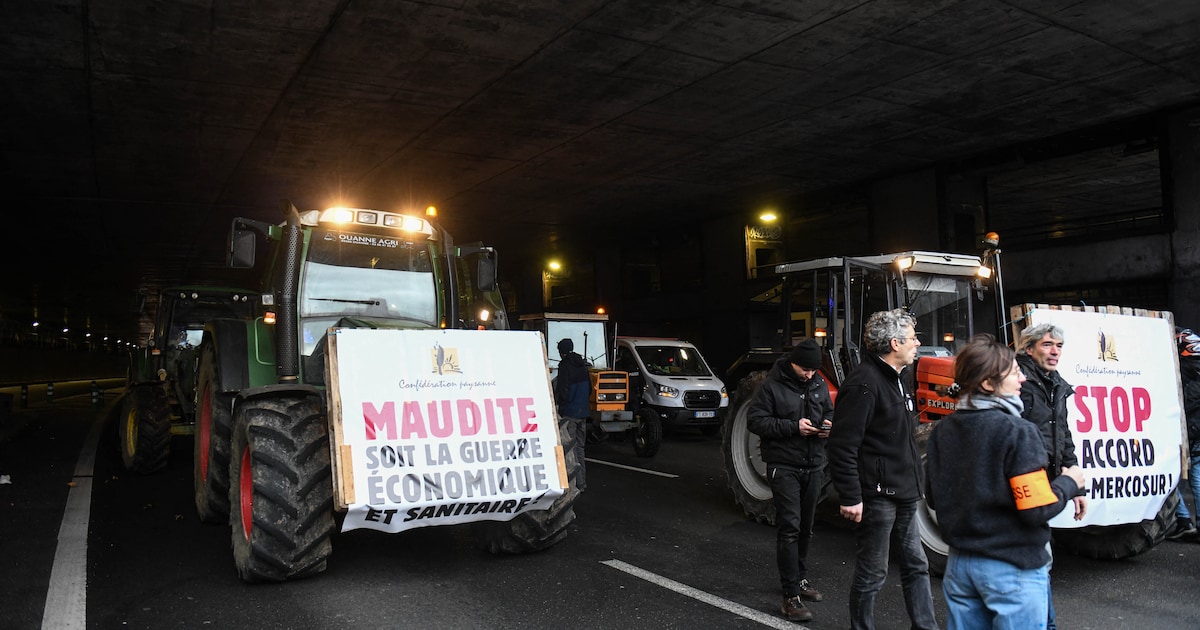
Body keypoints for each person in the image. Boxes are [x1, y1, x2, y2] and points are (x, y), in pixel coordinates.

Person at [926, 335, 1085, 630]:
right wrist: (1069, 483)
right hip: (1011, 569)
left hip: (960, 567)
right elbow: (1036, 509)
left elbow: (934, 499)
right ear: (988, 383)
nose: (1023, 378)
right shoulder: (1017, 431)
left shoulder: (942, 431)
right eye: (1014, 371)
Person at [827, 309, 938, 630]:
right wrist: (850, 496)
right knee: (873, 571)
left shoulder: (895, 380)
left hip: (902, 493)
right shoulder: (864, 384)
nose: (918, 344)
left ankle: (925, 627)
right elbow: (842, 445)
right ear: (894, 343)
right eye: (913, 338)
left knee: (917, 565)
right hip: (878, 497)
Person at [746, 338, 834, 622]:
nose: (809, 375)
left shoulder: (819, 383)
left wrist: (828, 426)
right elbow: (756, 421)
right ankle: (789, 596)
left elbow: (829, 411)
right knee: (790, 528)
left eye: (813, 370)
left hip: (814, 465)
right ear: (793, 363)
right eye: (805, 369)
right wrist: (793, 427)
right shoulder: (771, 386)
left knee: (806, 528)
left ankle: (801, 579)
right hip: (783, 466)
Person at [1015, 322, 1087, 629]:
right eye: (1047, 345)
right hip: (1024, 479)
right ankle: (1044, 624)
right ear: (1029, 349)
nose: (1055, 351)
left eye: (1058, 345)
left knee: (1038, 555)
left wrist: (1075, 483)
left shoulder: (1056, 383)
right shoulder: (1016, 382)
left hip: (1046, 479)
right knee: (1038, 556)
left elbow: (1063, 435)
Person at [1166, 328, 1200, 540]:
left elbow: (1183, 404)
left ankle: (1184, 521)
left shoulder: (1186, 370)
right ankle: (1186, 522)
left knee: (1168, 474)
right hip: (1195, 431)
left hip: (1190, 431)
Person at [554, 338, 590, 491]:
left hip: (570, 413)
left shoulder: (565, 366)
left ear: (561, 352)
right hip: (583, 413)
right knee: (580, 448)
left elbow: (563, 390)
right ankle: (582, 483)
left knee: (570, 450)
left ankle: (574, 484)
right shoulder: (583, 365)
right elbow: (590, 390)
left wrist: (560, 409)